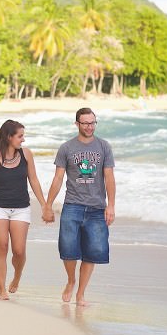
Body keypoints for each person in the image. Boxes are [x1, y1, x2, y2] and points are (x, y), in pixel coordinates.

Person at [0, 119, 48, 300]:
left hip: (21, 207)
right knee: (2, 246)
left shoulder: (26, 155)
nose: (23, 140)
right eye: (20, 136)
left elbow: (33, 180)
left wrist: (44, 204)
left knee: (19, 251)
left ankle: (17, 277)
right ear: (9, 137)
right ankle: (1, 289)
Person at [42, 108, 115, 306]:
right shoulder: (66, 148)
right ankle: (71, 280)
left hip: (97, 208)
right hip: (72, 205)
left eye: (92, 123)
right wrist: (48, 205)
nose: (89, 127)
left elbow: (109, 177)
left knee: (93, 251)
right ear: (77, 124)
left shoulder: (104, 147)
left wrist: (111, 206)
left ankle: (81, 293)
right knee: (68, 249)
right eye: (85, 123)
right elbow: (58, 178)